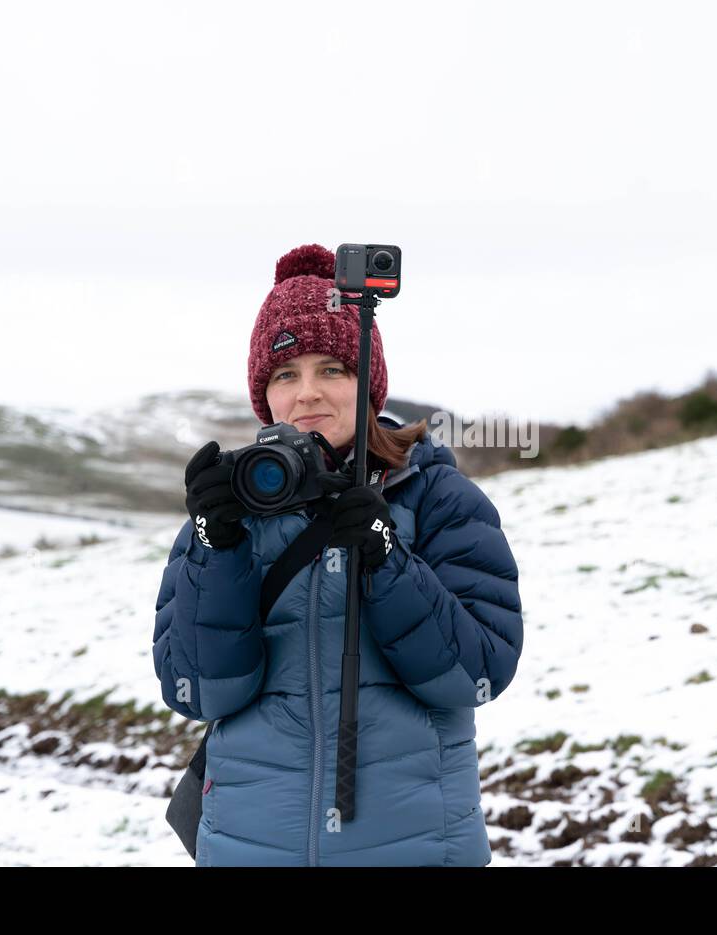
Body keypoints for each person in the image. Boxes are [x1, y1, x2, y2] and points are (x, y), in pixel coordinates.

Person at [151, 243, 523, 866]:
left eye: (332, 369)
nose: (308, 394)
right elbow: (198, 691)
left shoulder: (438, 499)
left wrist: (388, 559)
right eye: (285, 374)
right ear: (263, 395)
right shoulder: (227, 515)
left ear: (368, 384)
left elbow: (477, 674)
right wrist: (218, 550)